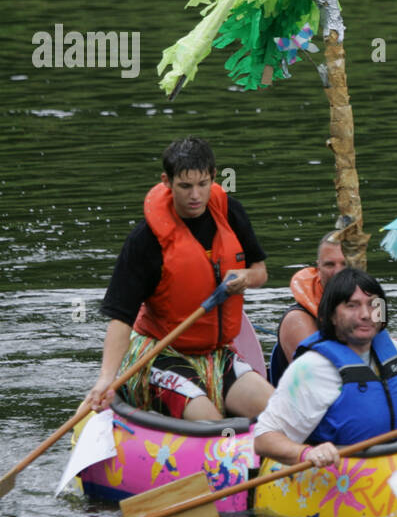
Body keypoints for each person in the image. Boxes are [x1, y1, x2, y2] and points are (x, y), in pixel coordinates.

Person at [84, 137, 275, 421]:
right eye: (185, 186)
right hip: (161, 354)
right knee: (212, 424)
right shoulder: (145, 240)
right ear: (167, 182)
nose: (195, 195)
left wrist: (246, 277)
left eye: (202, 184)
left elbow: (261, 273)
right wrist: (105, 379)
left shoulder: (230, 213)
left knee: (282, 413)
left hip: (216, 355)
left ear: (213, 176)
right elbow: (120, 317)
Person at [255, 268, 397, 466]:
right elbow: (264, 438)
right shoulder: (311, 368)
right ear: (331, 315)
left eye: (373, 305)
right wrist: (306, 453)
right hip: (336, 476)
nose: (365, 314)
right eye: (352, 306)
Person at [268, 232, 347, 385]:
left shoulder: (373, 303)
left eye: (345, 264)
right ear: (318, 268)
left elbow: (384, 342)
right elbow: (319, 382)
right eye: (329, 264)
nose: (338, 272)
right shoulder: (297, 320)